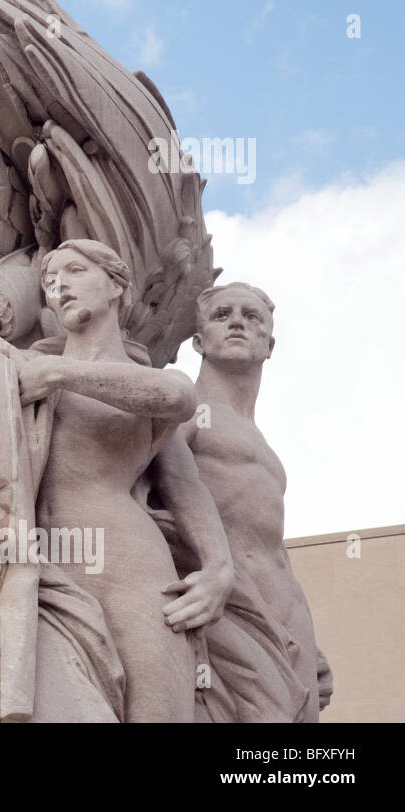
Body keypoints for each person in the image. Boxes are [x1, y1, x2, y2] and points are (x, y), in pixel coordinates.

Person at [18, 239, 231, 721]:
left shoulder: (89, 376)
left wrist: (219, 569)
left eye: (74, 271)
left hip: (127, 566)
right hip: (41, 570)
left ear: (116, 285)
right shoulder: (26, 368)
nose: (60, 286)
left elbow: (181, 451)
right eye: (50, 282)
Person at [180, 281, 332, 720]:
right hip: (228, 604)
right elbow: (148, 489)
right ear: (198, 340)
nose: (237, 323)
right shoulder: (187, 409)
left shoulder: (264, 446)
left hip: (288, 616)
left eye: (252, 317)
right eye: (222, 314)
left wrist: (310, 638)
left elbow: (272, 546)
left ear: (270, 344)